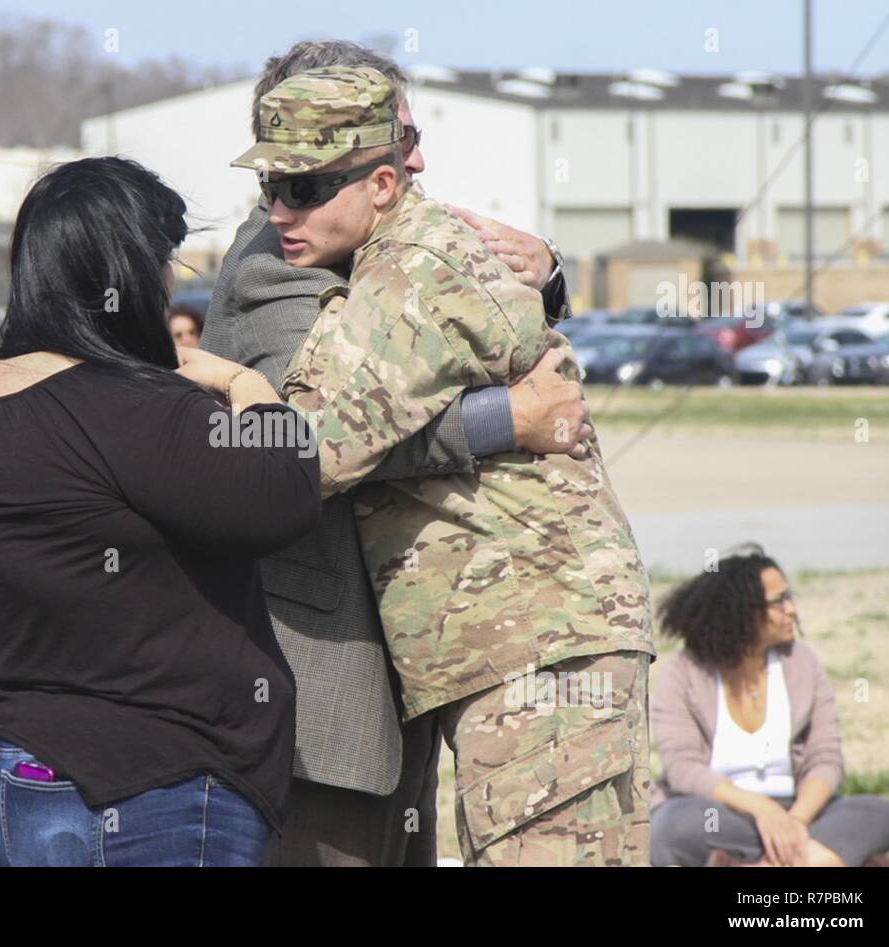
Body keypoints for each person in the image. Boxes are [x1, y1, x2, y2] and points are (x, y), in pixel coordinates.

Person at [235, 65, 654, 866]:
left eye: (307, 187)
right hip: (532, 644)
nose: (279, 212)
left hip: (538, 647)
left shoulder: (406, 276)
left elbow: (302, 455)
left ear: (384, 182)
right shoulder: (407, 252)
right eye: (269, 185)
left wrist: (212, 386)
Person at [0, 156, 321, 867]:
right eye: (162, 260)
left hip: (3, 781)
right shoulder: (133, 408)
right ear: (127, 270)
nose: (168, 282)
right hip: (149, 788)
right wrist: (247, 383)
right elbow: (281, 494)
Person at [650, 548, 889, 867]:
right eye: (778, 601)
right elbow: (683, 768)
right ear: (742, 611)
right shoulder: (683, 672)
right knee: (672, 825)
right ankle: (821, 859)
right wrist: (762, 810)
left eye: (789, 597)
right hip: (724, 813)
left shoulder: (802, 662)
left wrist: (794, 821)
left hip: (802, 813)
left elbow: (826, 757)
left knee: (879, 813)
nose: (792, 610)